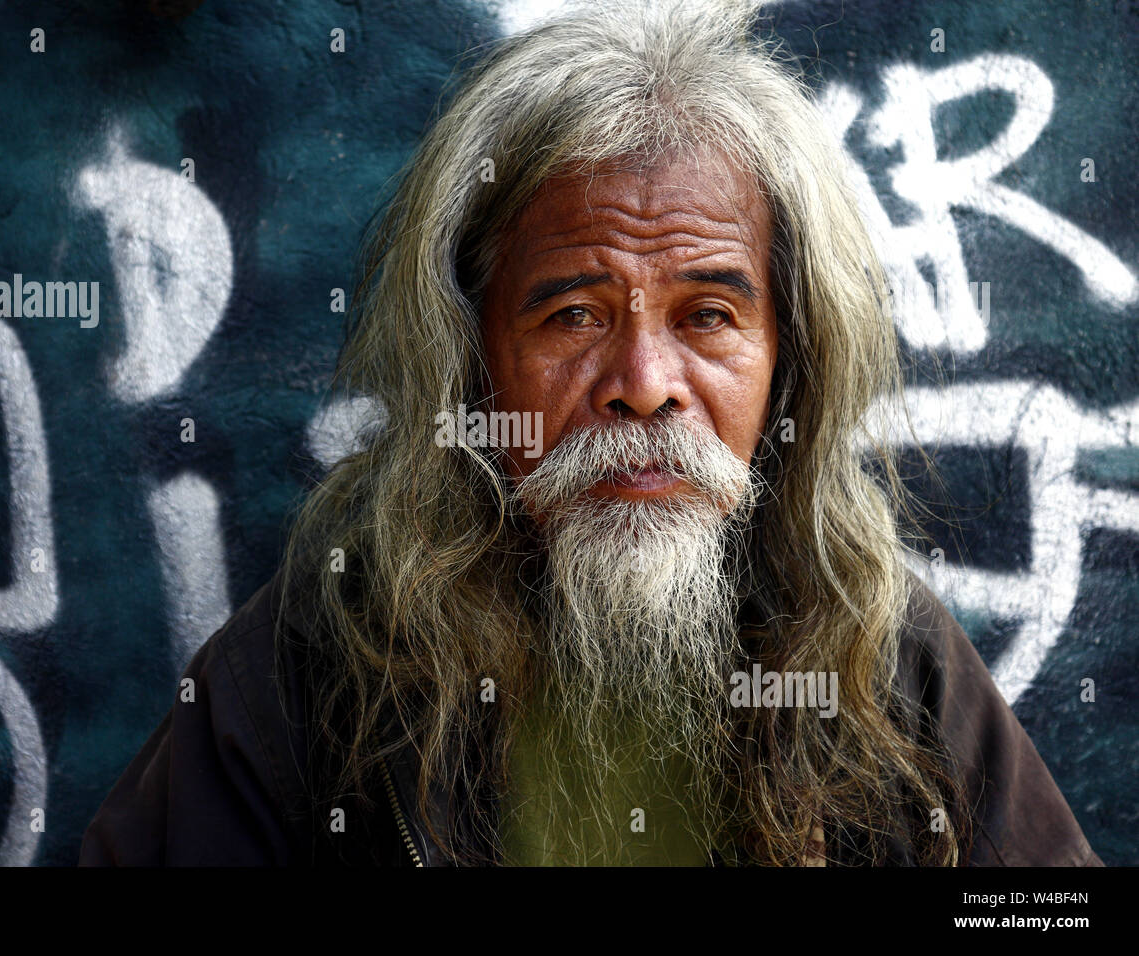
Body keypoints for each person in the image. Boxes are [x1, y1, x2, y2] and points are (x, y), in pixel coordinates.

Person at [80, 0, 1102, 866]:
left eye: (708, 314)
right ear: (470, 361)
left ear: (790, 359)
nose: (645, 387)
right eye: (572, 314)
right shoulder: (317, 663)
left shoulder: (877, 650)